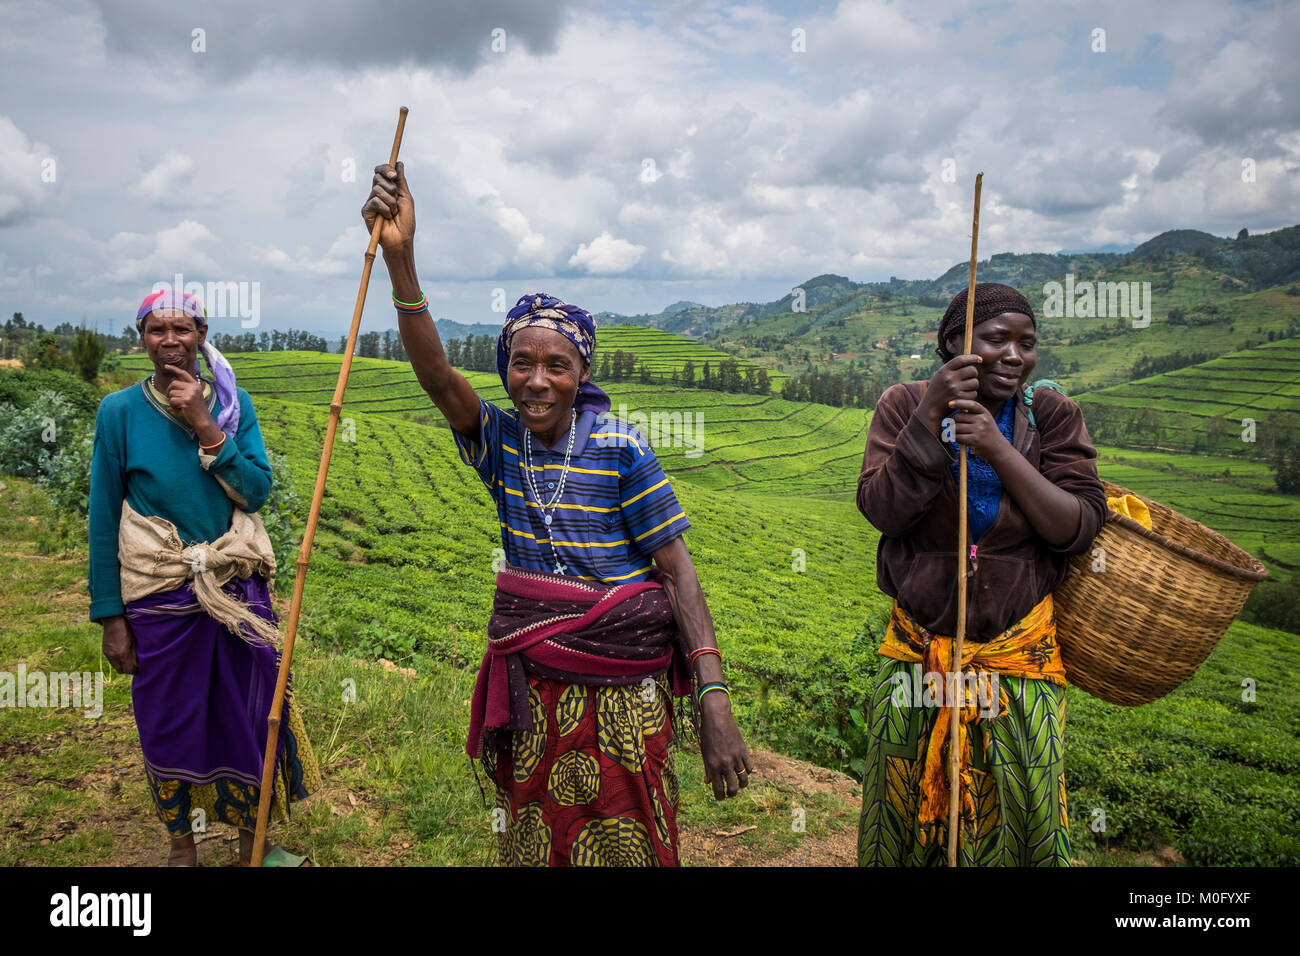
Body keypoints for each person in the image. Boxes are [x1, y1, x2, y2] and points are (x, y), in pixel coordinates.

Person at [362, 162, 753, 866]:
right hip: (538, 687)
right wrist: (401, 260)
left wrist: (713, 694)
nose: (537, 380)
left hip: (625, 686)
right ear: (505, 366)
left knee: (630, 834)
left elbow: (677, 573)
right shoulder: (499, 441)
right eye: (521, 362)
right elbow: (435, 377)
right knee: (540, 836)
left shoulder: (618, 447)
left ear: (581, 375)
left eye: (557, 366)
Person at [855, 282, 1106, 866]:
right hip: (921, 656)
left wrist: (997, 448)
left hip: (1016, 660)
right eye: (996, 340)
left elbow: (1077, 526)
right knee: (904, 820)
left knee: (1020, 821)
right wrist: (929, 415)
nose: (1015, 356)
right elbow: (883, 510)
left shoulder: (1050, 414)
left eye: (1027, 343)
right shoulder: (903, 403)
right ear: (954, 345)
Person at [88, 290, 319, 866]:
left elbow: (257, 491)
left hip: (234, 589)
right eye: (157, 330)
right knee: (169, 721)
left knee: (250, 715)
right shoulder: (119, 412)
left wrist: (203, 424)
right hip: (160, 595)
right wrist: (111, 616)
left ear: (202, 333)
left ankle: (253, 842)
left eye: (182, 330)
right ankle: (181, 845)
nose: (170, 341)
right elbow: (102, 515)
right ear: (142, 337)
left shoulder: (232, 404)